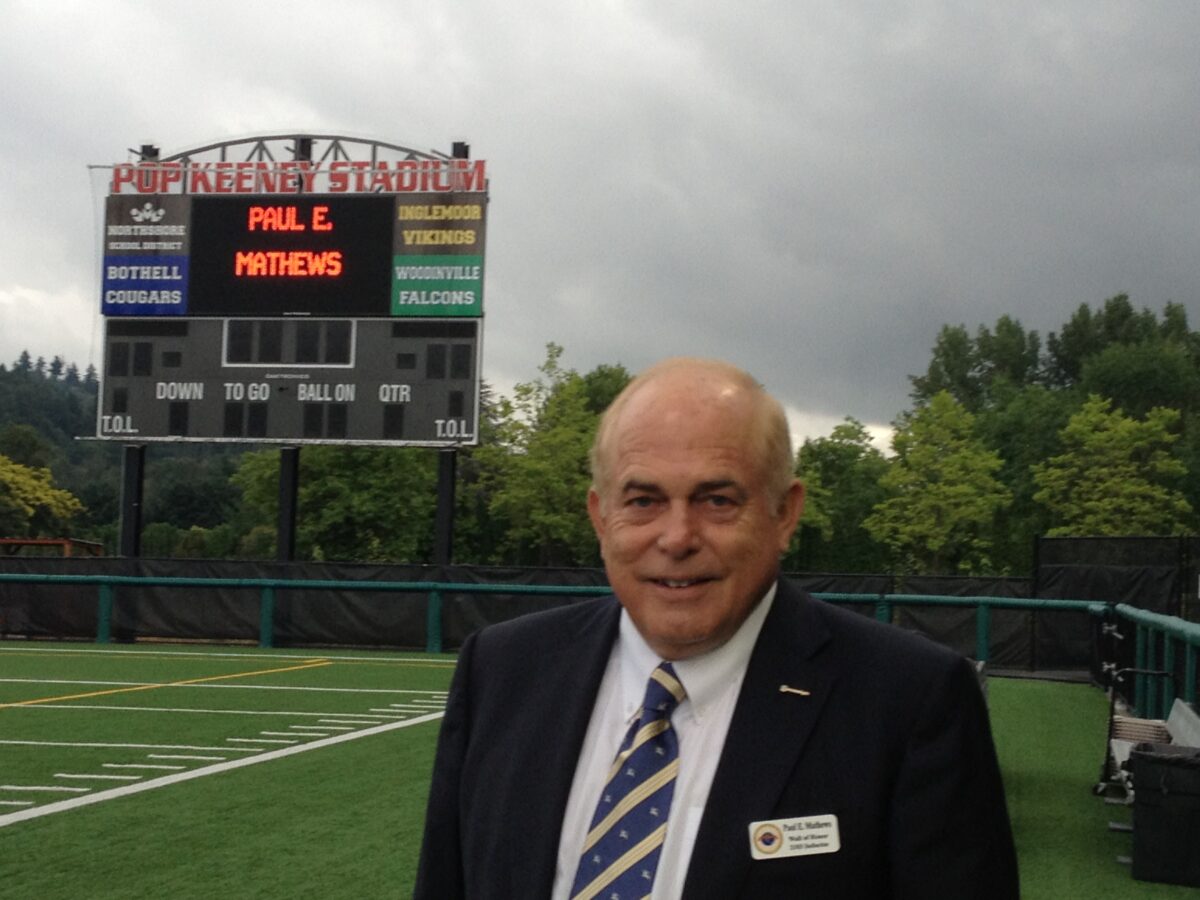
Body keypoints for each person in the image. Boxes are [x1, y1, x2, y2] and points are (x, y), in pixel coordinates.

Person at [414, 357, 1019, 899]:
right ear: (601, 517)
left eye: (717, 500)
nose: (677, 538)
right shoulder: (501, 669)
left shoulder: (909, 701)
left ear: (785, 513)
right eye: (644, 500)